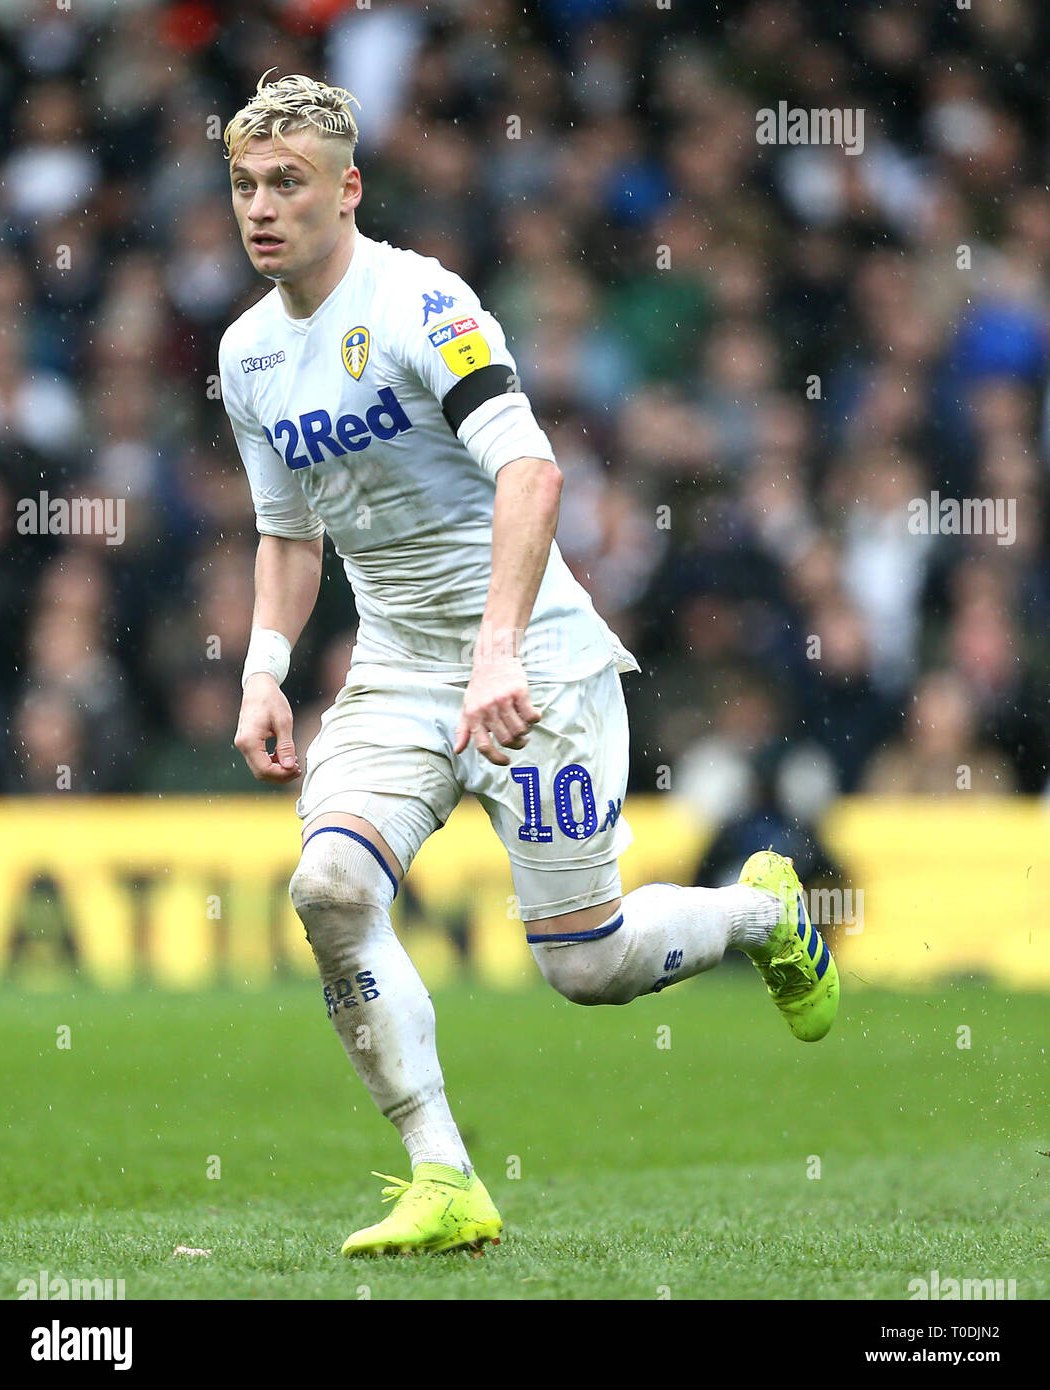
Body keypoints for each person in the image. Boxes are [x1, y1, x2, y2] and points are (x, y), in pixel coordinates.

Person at [218, 72, 840, 1258]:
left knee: (587, 965)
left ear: (346, 191)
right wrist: (262, 670)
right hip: (400, 665)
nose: (262, 207)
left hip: (533, 658)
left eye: (287, 183)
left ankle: (759, 912)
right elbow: (288, 533)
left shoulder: (422, 303)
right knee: (331, 890)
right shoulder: (246, 354)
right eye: (245, 184)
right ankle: (442, 1174)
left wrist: (497, 646)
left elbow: (532, 475)